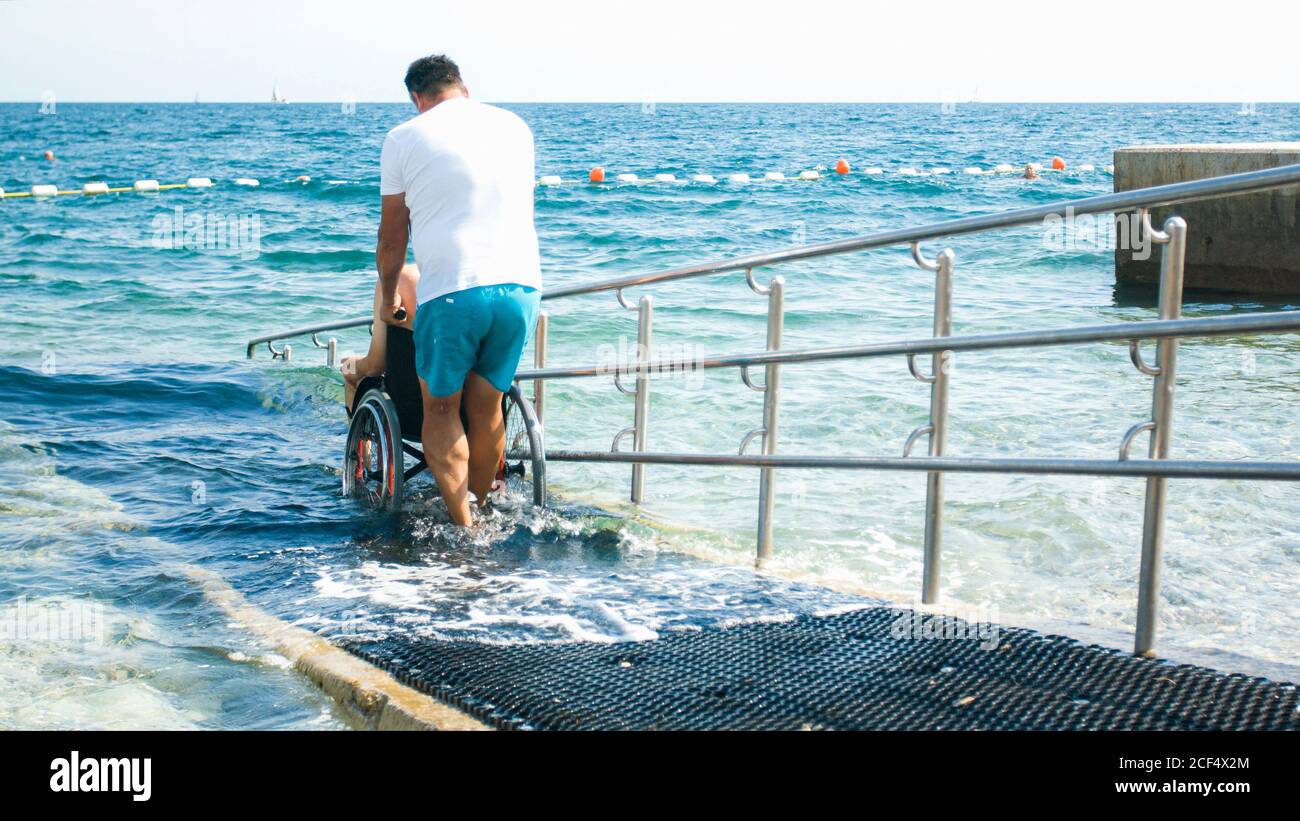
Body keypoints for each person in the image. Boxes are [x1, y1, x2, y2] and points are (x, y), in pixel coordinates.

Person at [375, 54, 542, 527]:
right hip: (521, 285)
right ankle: (484, 509)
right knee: (487, 406)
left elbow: (392, 238)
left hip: (453, 289)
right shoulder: (514, 126)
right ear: (462, 87)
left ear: (416, 98)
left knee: (442, 407)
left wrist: (389, 297)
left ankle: (465, 529)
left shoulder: (404, 137)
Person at [340, 263, 419, 411]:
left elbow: (374, 367)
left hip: (409, 414)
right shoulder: (474, 284)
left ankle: (355, 433)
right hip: (467, 415)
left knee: (352, 374)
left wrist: (349, 365)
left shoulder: (399, 278)